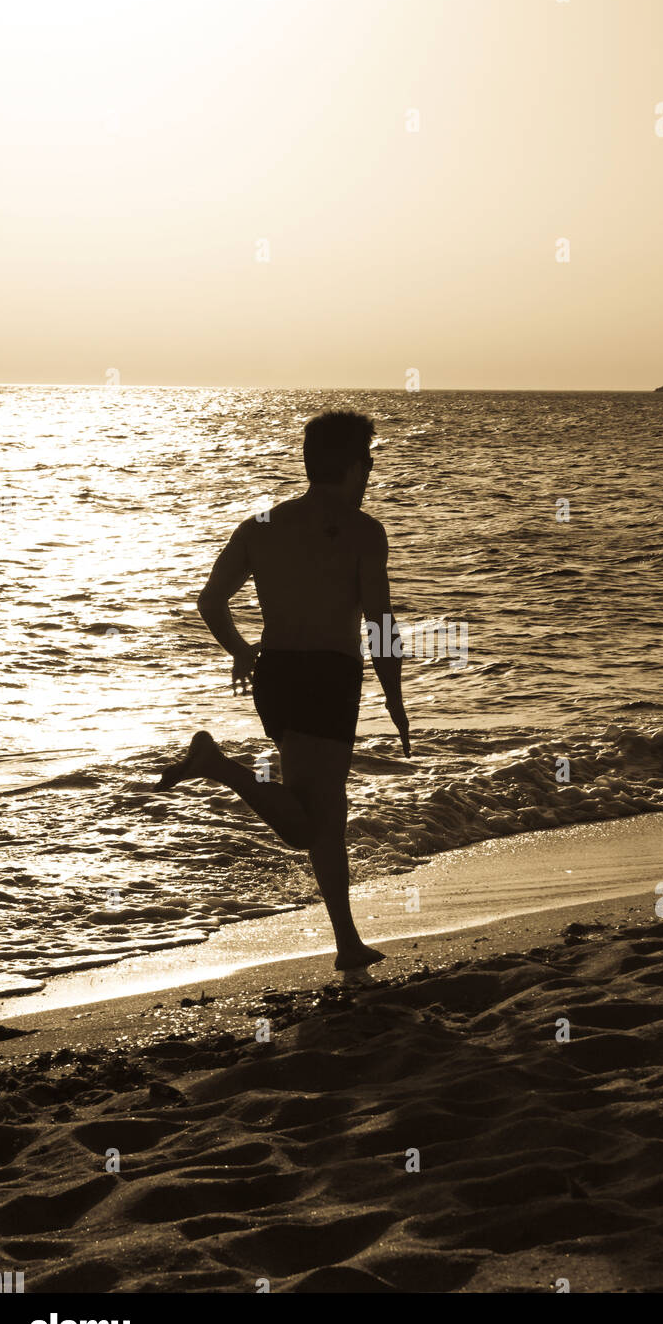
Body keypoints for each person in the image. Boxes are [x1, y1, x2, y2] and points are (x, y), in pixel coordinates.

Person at [154, 410, 410, 972]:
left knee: (325, 811)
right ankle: (219, 765)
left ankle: (347, 943)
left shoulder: (262, 523)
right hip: (327, 680)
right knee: (312, 825)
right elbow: (379, 623)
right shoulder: (364, 530)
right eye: (366, 462)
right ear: (350, 466)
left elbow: (209, 600)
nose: (369, 472)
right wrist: (393, 695)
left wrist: (242, 651)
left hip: (276, 677)